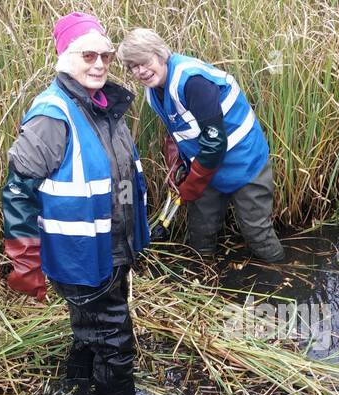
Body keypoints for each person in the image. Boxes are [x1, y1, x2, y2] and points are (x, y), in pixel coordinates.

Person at [1, 12, 151, 395]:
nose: (99, 64)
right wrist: (25, 263)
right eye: (88, 55)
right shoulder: (53, 115)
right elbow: (18, 191)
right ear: (64, 57)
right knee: (115, 339)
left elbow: (115, 180)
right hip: (80, 254)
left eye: (106, 55)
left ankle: (80, 390)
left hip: (112, 247)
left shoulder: (104, 105)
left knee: (93, 329)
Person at [116, 28, 286, 264]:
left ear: (159, 54)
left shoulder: (193, 82)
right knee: (200, 233)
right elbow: (177, 129)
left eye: (144, 62)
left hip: (244, 162)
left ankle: (280, 273)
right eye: (133, 66)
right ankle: (202, 275)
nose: (141, 71)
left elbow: (215, 141)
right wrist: (176, 163)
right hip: (207, 164)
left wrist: (193, 183)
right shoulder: (153, 90)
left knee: (256, 232)